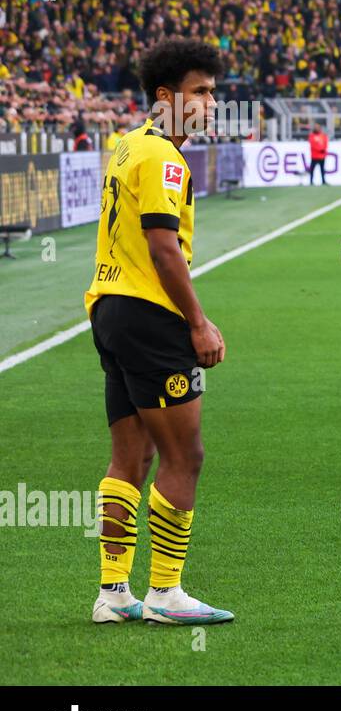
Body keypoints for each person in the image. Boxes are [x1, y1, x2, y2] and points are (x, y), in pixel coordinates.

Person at [85, 37, 234, 625]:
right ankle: (166, 594)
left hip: (109, 310)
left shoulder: (126, 146)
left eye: (214, 93)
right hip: (150, 314)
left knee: (130, 457)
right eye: (201, 92)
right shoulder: (165, 158)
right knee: (184, 454)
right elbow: (163, 247)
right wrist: (197, 322)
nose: (211, 103)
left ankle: (113, 594)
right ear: (167, 97)